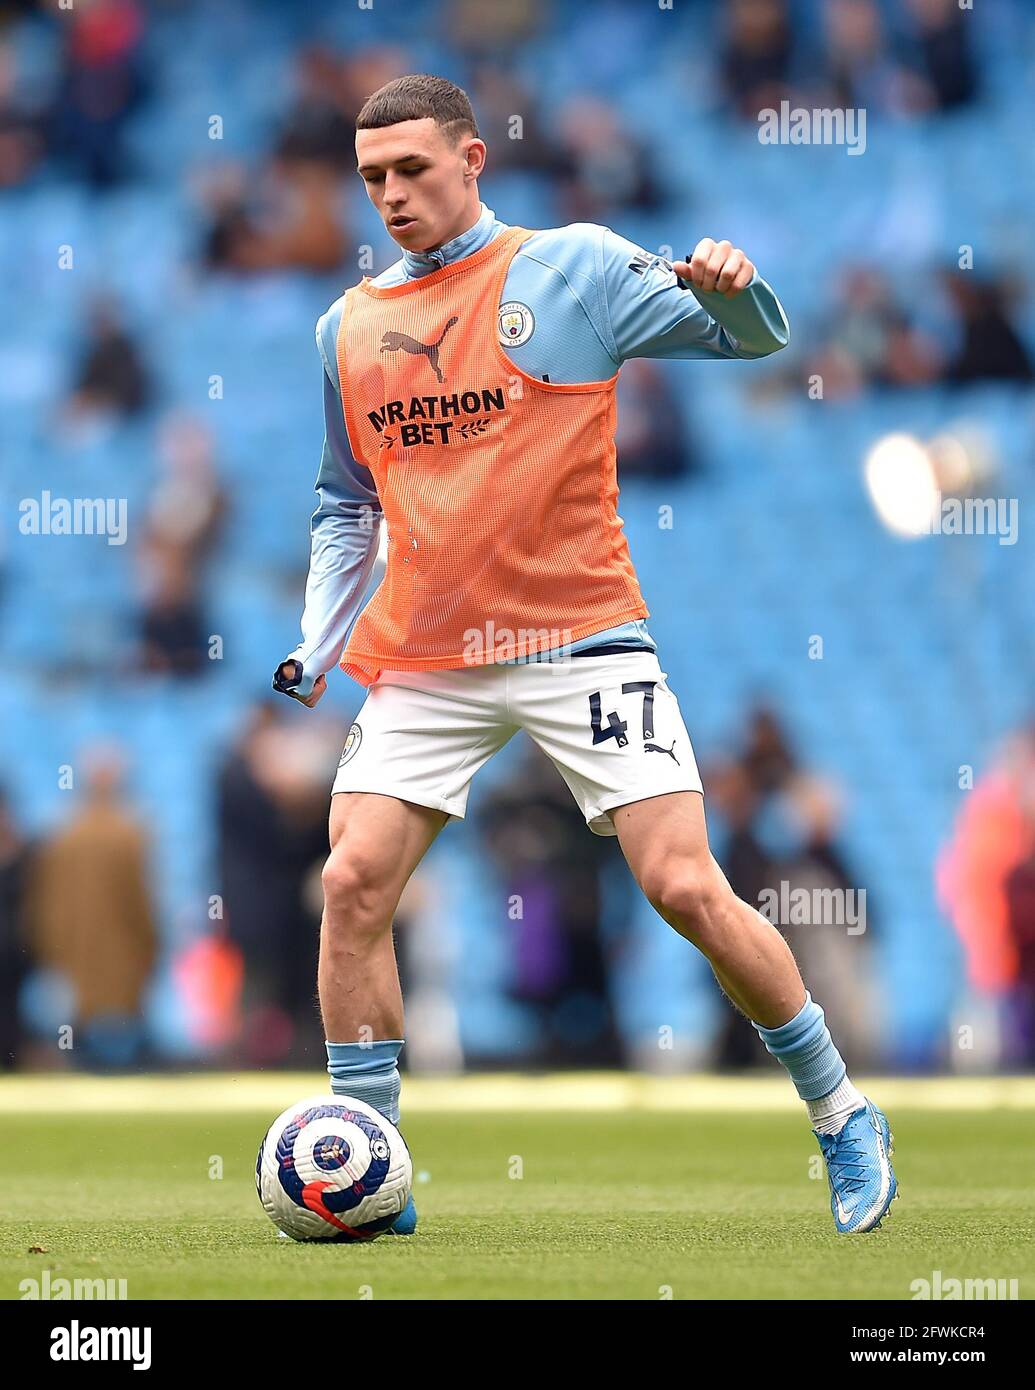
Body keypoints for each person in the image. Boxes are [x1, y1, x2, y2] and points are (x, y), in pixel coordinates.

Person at [273, 74, 896, 1236]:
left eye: (413, 169)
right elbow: (343, 502)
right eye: (372, 180)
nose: (393, 195)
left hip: (581, 634)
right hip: (428, 649)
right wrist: (316, 643)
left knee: (682, 885)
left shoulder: (577, 269)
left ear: (472, 161)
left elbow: (760, 340)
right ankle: (376, 1175)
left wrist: (740, 287)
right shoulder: (346, 329)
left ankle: (841, 1112)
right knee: (353, 881)